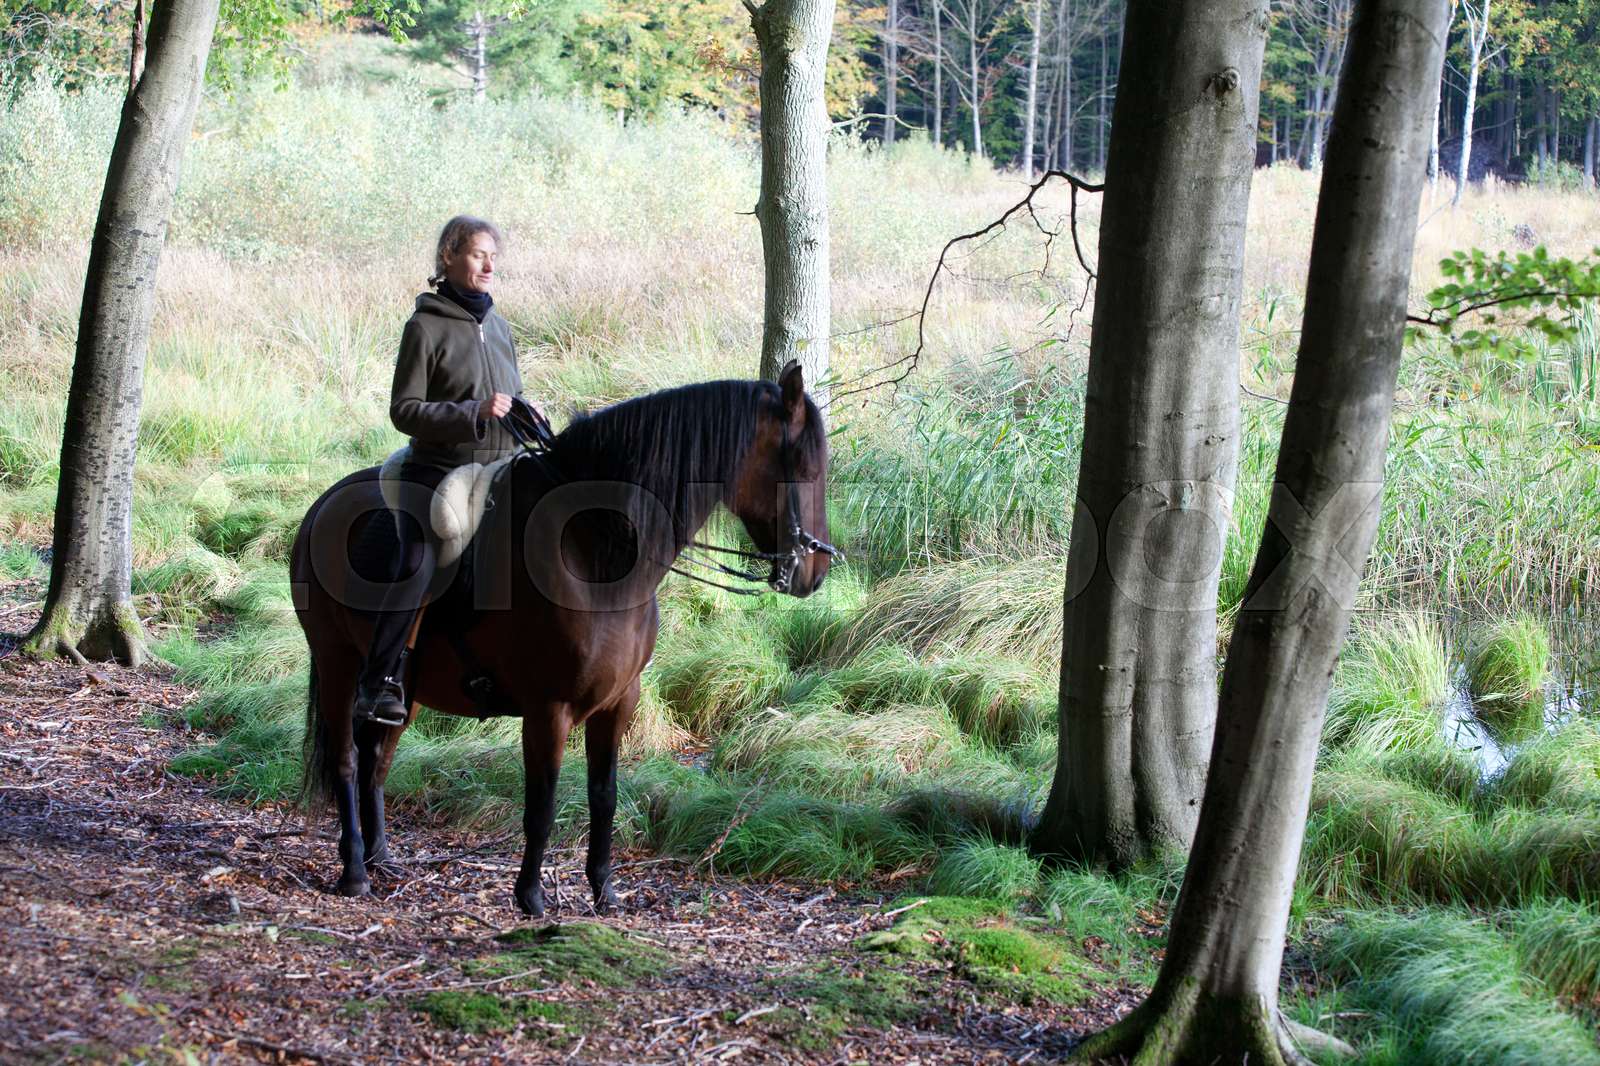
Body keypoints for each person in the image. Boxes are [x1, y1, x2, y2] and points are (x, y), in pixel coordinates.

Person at [353, 215, 529, 727]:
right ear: (449, 256)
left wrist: (523, 415)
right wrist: (472, 412)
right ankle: (380, 681)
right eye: (478, 253)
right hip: (438, 467)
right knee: (417, 557)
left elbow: (505, 400)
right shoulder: (424, 326)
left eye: (493, 255)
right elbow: (403, 409)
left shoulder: (499, 326)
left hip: (501, 467)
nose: (490, 264)